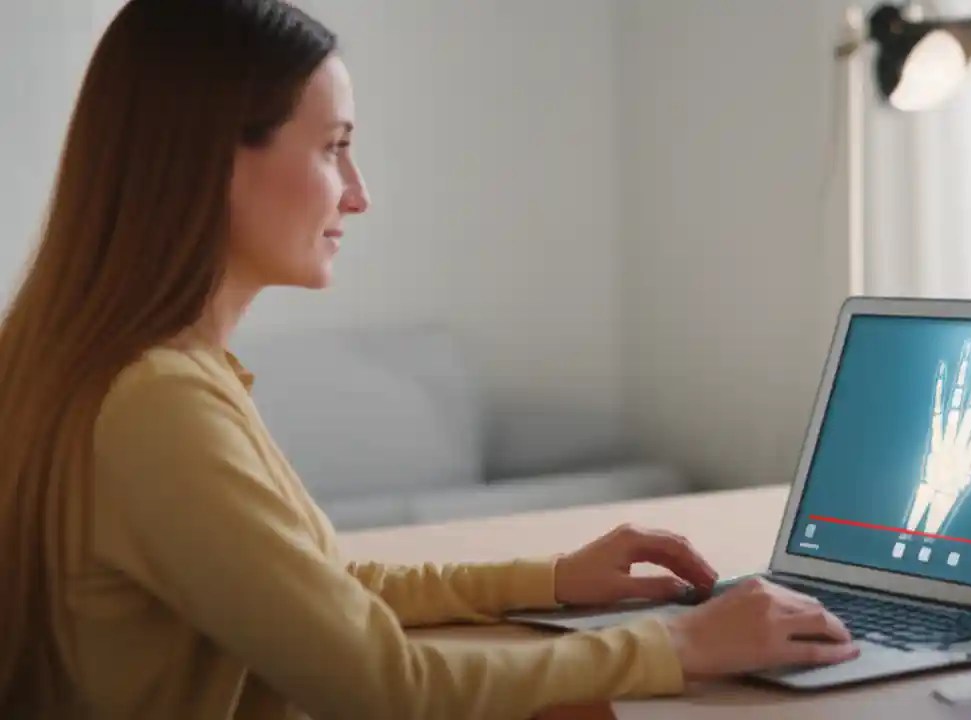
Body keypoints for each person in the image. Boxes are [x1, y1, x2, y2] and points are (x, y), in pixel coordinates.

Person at [0, 1, 857, 717]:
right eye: (333, 145)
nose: (359, 191)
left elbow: (320, 587)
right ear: (213, 161)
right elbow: (384, 686)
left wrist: (555, 579)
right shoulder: (159, 407)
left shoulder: (118, 366)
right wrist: (680, 643)